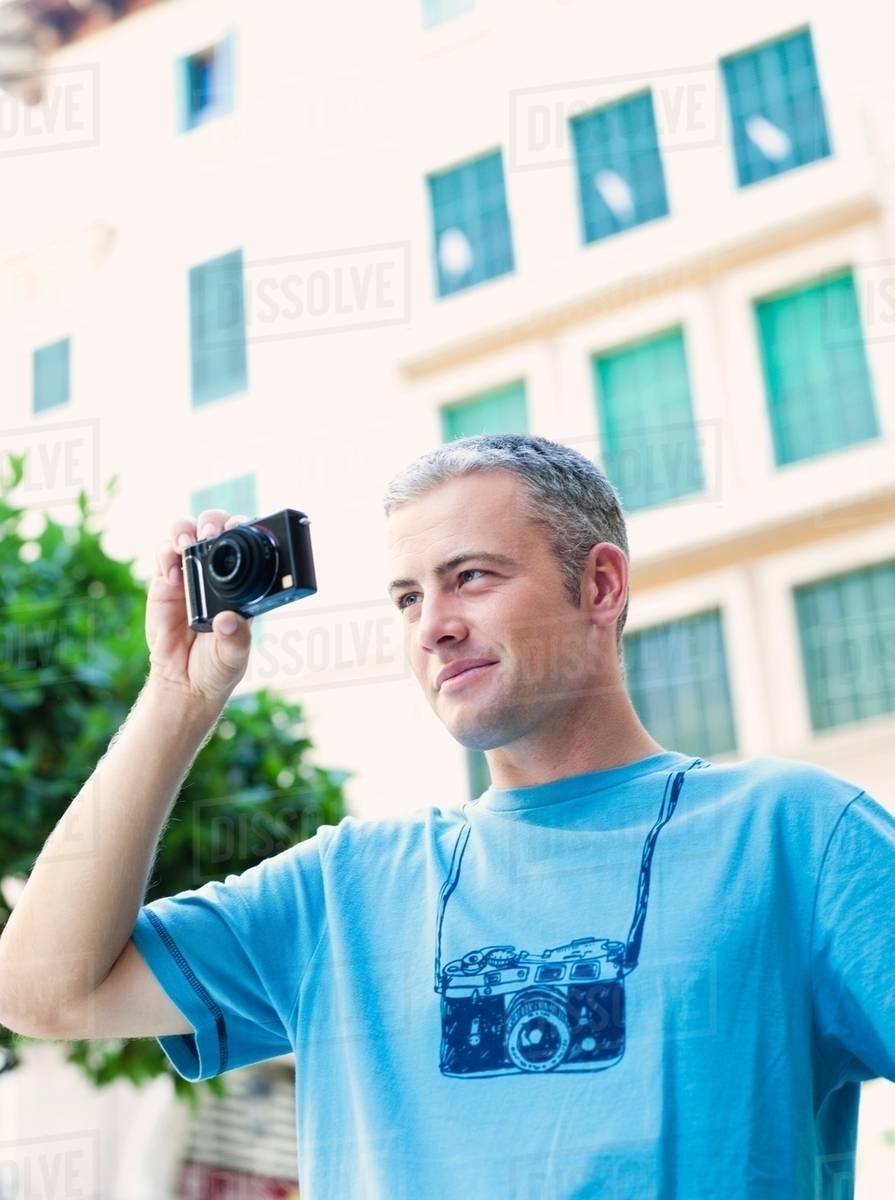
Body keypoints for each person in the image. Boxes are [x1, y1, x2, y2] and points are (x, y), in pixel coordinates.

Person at [0, 433, 892, 1200]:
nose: (432, 625)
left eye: (470, 578)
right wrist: (175, 699)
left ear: (602, 586)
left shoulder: (795, 836)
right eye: (406, 598)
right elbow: (43, 991)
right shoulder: (341, 890)